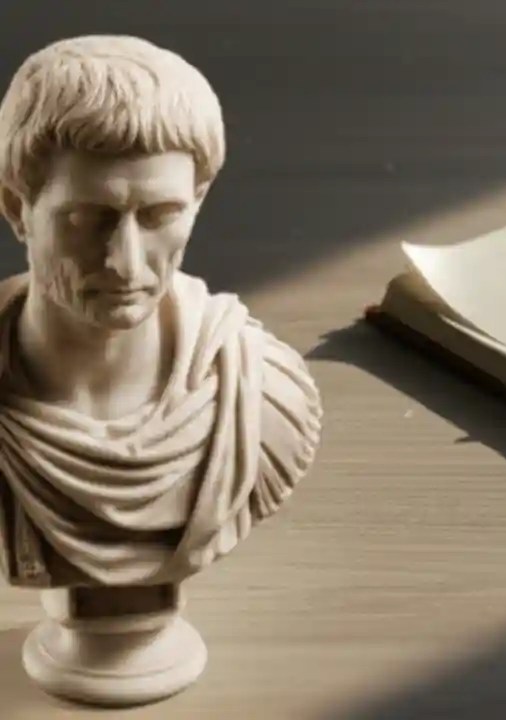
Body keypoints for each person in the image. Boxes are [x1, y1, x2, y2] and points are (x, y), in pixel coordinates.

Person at [0, 35, 322, 588]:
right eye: (85, 219)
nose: (125, 263)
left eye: (160, 216)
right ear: (16, 207)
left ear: (198, 199)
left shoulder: (262, 398)